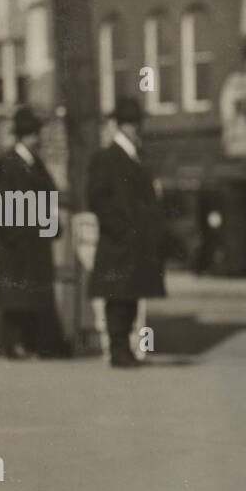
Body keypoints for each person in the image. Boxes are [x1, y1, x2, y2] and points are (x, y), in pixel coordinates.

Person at [87, 97, 167, 368]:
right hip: (118, 241)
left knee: (131, 295)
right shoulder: (107, 158)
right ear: (120, 127)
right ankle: (118, 350)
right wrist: (120, 228)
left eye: (137, 124)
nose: (136, 130)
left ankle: (126, 350)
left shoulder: (136, 159)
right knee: (118, 297)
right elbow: (97, 199)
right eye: (131, 125)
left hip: (134, 242)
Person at [0, 106, 64, 359]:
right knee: (17, 297)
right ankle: (15, 345)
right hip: (19, 242)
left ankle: (33, 343)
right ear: (24, 136)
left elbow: (49, 194)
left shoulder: (36, 164)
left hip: (36, 241)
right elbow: (3, 204)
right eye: (34, 134)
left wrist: (51, 225)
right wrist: (14, 234)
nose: (38, 139)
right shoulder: (11, 164)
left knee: (32, 295)